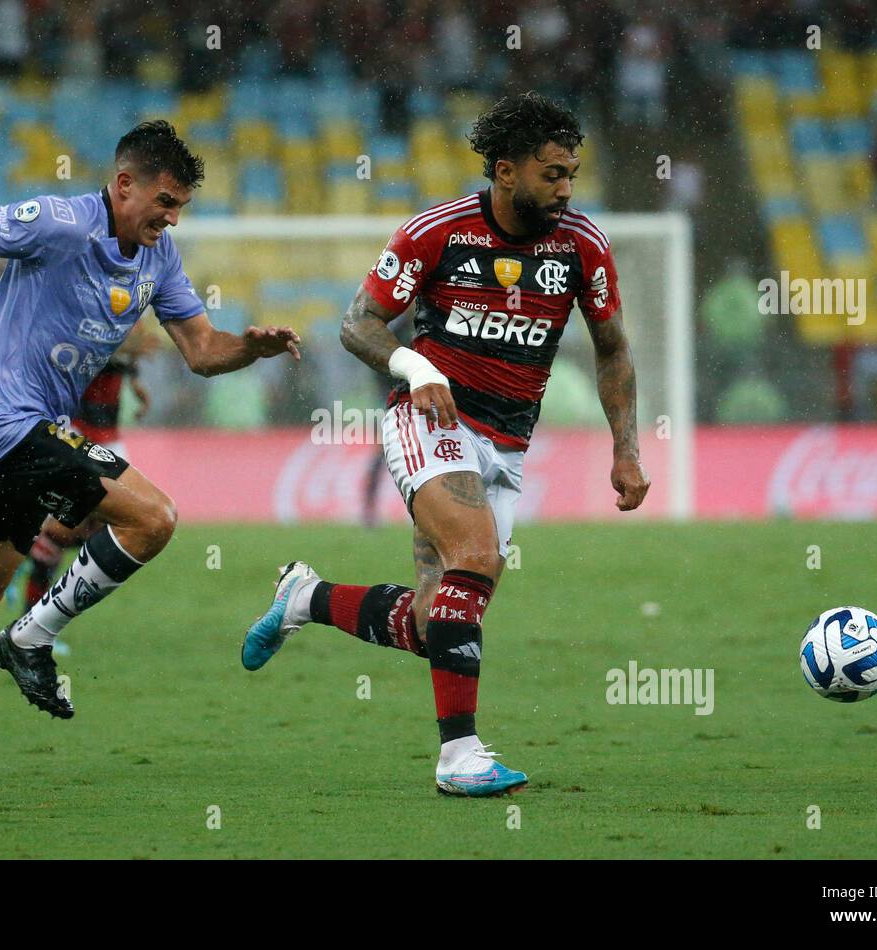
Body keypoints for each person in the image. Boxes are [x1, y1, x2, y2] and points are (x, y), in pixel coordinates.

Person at [0, 121, 300, 783]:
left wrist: (252, 348)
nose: (172, 217)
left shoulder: (159, 260)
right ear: (125, 184)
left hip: (27, 434)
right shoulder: (60, 223)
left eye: (181, 206)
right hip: (12, 422)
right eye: (165, 200)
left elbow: (205, 351)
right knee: (154, 518)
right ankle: (31, 636)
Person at [241, 92, 649, 797]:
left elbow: (612, 350)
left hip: (510, 445)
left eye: (572, 174)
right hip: (429, 421)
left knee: (439, 620)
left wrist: (627, 448)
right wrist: (414, 364)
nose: (566, 189)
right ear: (504, 169)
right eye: (552, 174)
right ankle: (460, 759)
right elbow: (359, 322)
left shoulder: (582, 246)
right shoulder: (439, 233)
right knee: (477, 556)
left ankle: (305, 597)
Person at [6, 322, 157, 641]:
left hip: (112, 442)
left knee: (110, 529)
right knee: (65, 529)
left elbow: (124, 365)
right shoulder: (87, 322)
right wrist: (128, 347)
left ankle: (30, 562)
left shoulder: (127, 307)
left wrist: (137, 386)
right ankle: (29, 621)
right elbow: (99, 353)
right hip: (81, 436)